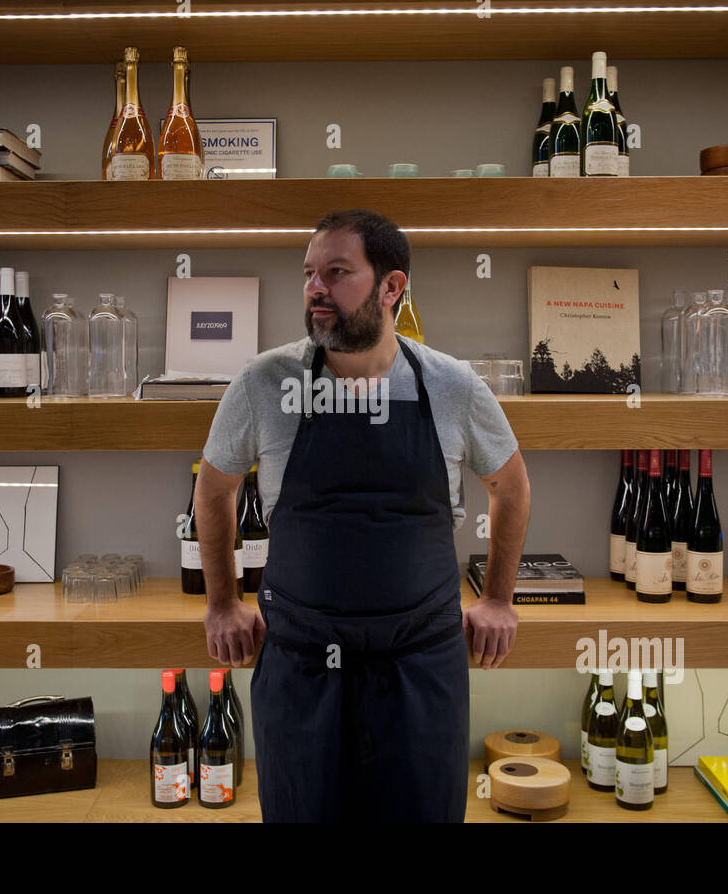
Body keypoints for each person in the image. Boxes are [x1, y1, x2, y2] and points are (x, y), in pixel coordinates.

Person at [196, 208, 529, 822]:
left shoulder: (452, 386)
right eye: (309, 274)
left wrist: (500, 599)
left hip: (420, 670)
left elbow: (511, 486)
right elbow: (213, 490)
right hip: (302, 670)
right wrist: (222, 602)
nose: (315, 288)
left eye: (337, 272)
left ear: (392, 286)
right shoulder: (266, 382)